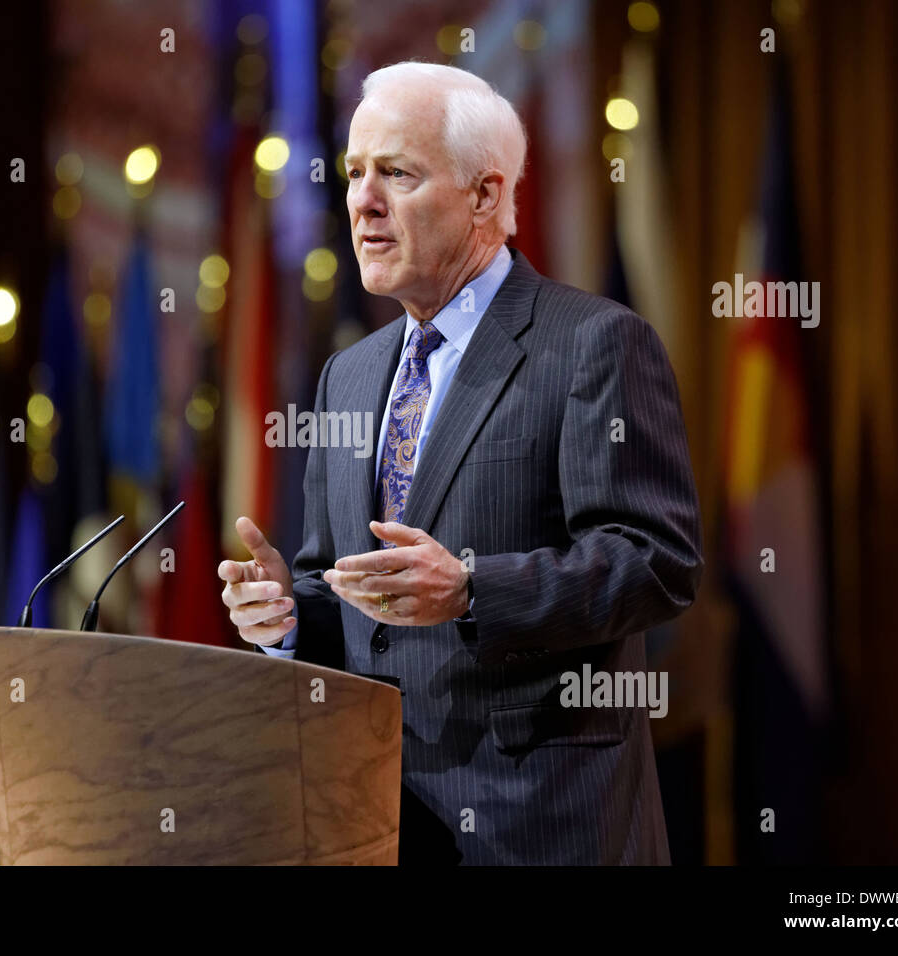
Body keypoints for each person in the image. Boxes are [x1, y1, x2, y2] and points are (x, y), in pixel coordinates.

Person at [217, 61, 702, 864]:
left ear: (484, 196)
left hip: (542, 826)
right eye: (355, 173)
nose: (363, 202)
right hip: (375, 821)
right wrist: (290, 612)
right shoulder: (351, 374)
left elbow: (656, 561)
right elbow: (344, 588)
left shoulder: (592, 346)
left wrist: (474, 589)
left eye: (397, 174)